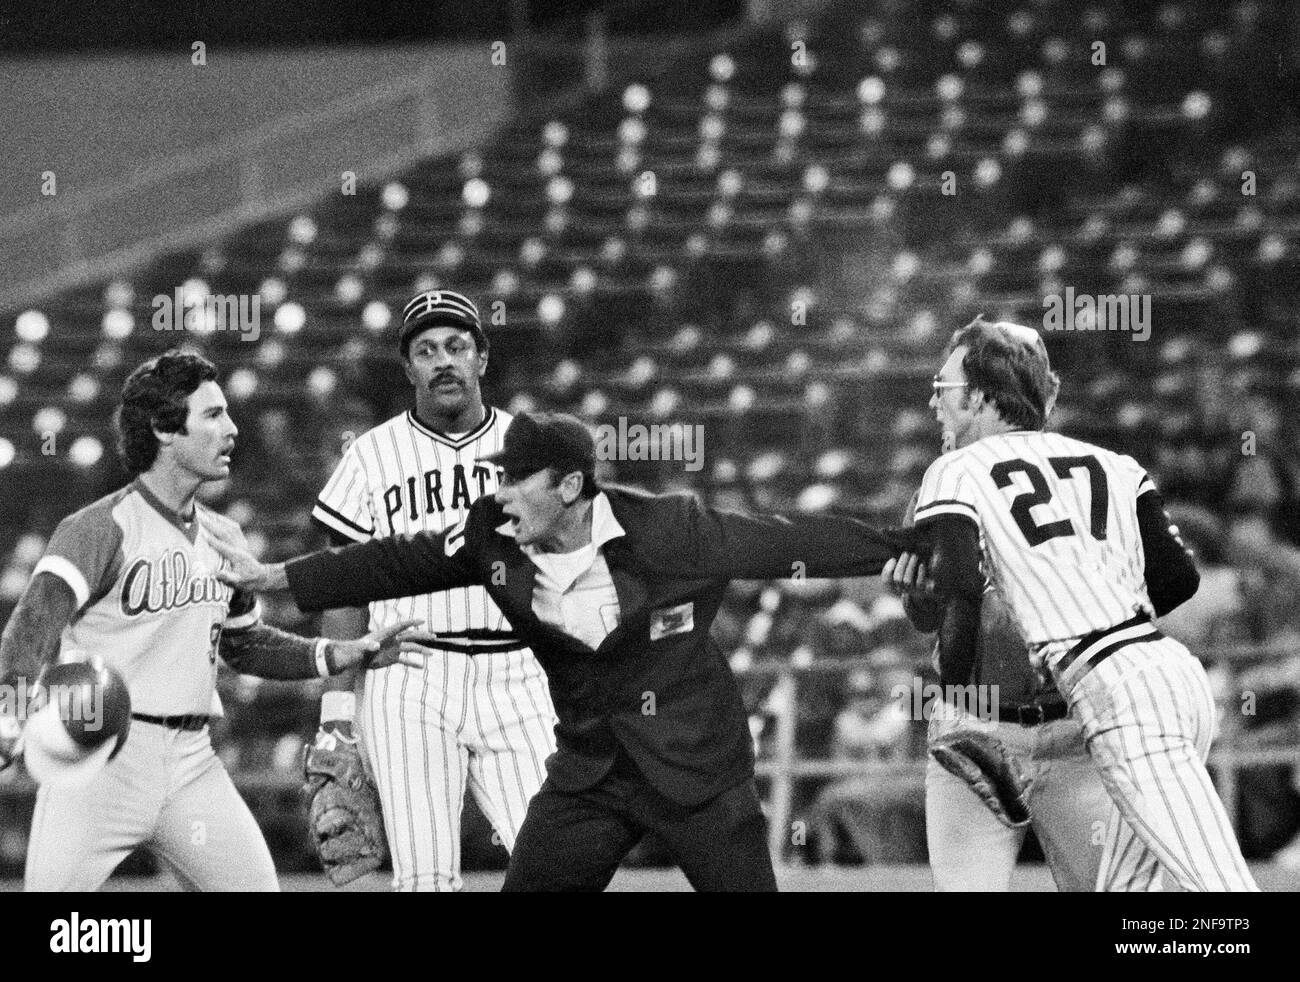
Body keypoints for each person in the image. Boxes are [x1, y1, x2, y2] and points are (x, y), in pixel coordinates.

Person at [201, 410, 917, 891]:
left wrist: (898, 550)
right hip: (589, 774)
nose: (499, 492)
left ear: (571, 486)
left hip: (695, 769)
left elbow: (789, 541)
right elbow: (390, 563)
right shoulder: (491, 535)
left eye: (516, 479)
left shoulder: (671, 531)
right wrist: (277, 577)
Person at [0, 350, 410, 891]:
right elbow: (31, 628)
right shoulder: (100, 527)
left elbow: (245, 646)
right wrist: (8, 715)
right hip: (100, 758)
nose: (232, 429)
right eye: (212, 415)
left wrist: (339, 652)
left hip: (191, 760)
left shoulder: (224, 536)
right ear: (165, 429)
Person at [897, 317, 1257, 891]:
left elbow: (960, 593)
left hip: (1084, 719)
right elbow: (1177, 580)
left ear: (985, 394)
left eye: (946, 387)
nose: (936, 402)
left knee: (1218, 901)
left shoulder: (953, 474)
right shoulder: (1112, 464)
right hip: (1116, 689)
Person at [308, 288, 556, 891]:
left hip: (519, 674)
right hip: (409, 675)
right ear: (409, 367)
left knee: (559, 869)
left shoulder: (532, 447)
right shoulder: (370, 455)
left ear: (482, 358)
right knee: (425, 879)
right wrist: (337, 712)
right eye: (426, 350)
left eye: (456, 346)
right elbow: (342, 587)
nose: (443, 360)